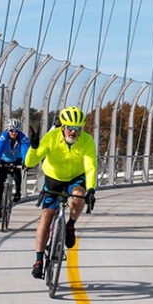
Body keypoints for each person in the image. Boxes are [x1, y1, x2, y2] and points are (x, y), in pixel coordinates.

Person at [23, 106, 97, 279]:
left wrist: (92, 188)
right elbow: (31, 162)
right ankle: (39, 259)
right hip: (53, 179)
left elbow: (91, 166)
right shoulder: (51, 138)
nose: (73, 132)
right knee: (46, 218)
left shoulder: (87, 141)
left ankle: (70, 225)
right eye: (70, 128)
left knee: (79, 195)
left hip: (75, 177)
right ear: (62, 127)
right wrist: (34, 147)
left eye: (77, 129)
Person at [0, 118, 30, 222]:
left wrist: (26, 162)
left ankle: (18, 192)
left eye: (16, 131)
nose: (14, 133)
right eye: (11, 130)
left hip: (17, 159)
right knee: (0, 185)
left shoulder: (22, 138)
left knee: (17, 175)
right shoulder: (3, 137)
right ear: (7, 130)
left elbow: (25, 149)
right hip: (4, 159)